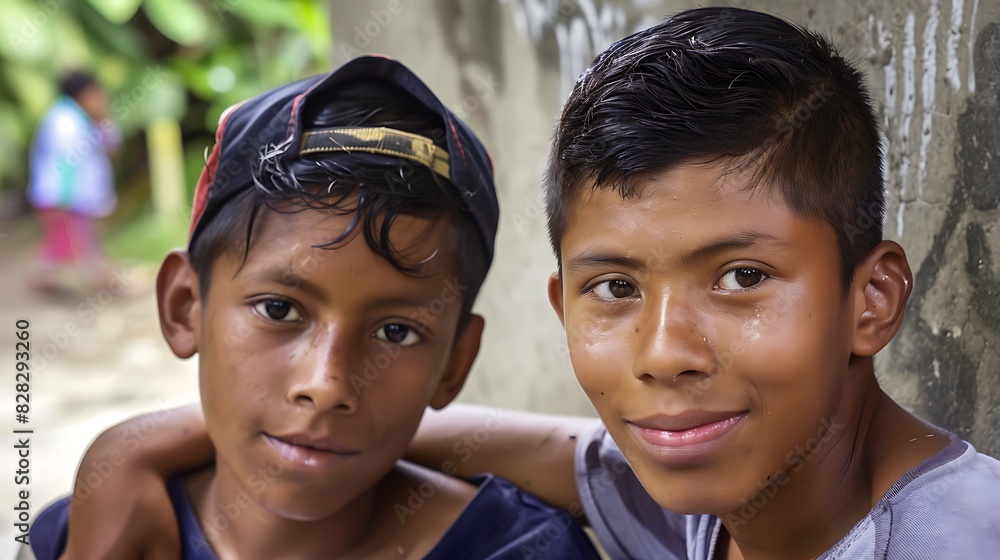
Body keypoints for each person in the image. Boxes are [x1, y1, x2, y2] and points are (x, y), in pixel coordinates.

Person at [55, 8, 1000, 559]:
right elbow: (459, 432)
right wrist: (127, 451)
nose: (665, 353)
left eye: (742, 277)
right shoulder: (701, 492)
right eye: (614, 289)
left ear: (871, 299)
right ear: (560, 306)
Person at [28, 56, 599, 560]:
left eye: (397, 332)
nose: (326, 384)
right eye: (279, 309)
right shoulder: (98, 527)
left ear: (453, 363)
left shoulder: (518, 549)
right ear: (184, 306)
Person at [27, 70, 120, 294]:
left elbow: (113, 145)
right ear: (85, 93)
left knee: (70, 242)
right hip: (64, 197)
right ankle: (102, 281)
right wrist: (64, 200)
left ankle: (96, 279)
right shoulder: (64, 120)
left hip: (72, 198)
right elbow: (65, 161)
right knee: (71, 241)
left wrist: (102, 118)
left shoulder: (81, 117)